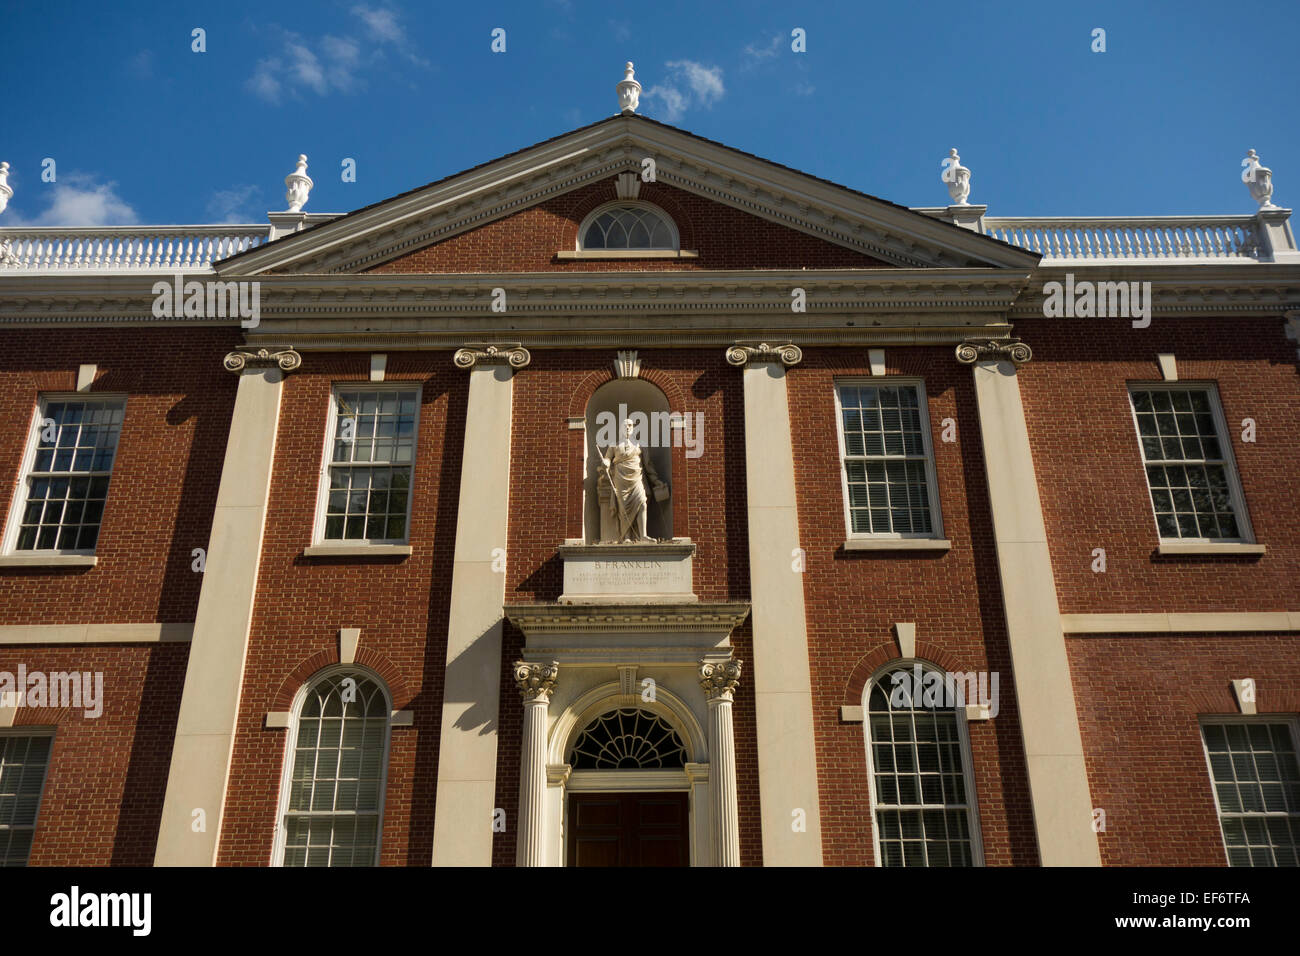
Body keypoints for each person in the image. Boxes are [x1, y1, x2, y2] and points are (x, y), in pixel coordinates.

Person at [599, 418, 668, 542]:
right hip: (621, 480)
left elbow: (648, 465)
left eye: (630, 425)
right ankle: (626, 537)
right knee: (623, 508)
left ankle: (643, 535)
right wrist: (606, 463)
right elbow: (608, 459)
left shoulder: (640, 444)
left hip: (637, 479)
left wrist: (655, 480)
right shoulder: (614, 444)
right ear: (620, 428)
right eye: (625, 425)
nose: (627, 427)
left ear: (633, 428)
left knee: (642, 502)